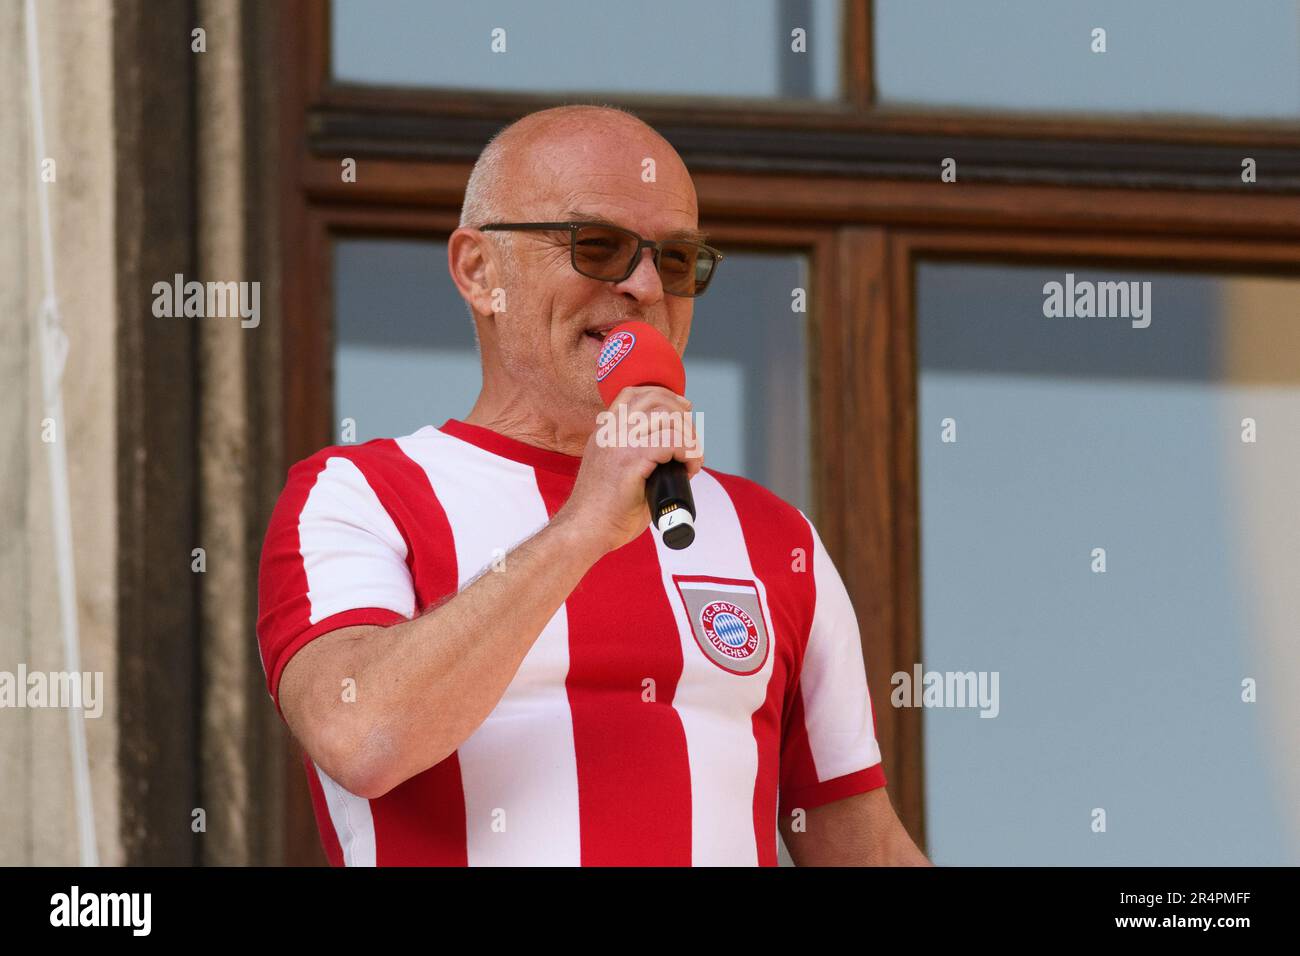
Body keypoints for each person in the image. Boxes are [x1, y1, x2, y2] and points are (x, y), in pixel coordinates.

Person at [257, 105, 930, 866]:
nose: (645, 287)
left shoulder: (776, 537)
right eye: (598, 247)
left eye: (676, 261)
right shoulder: (359, 493)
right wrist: (581, 531)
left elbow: (860, 844)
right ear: (480, 271)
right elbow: (361, 736)